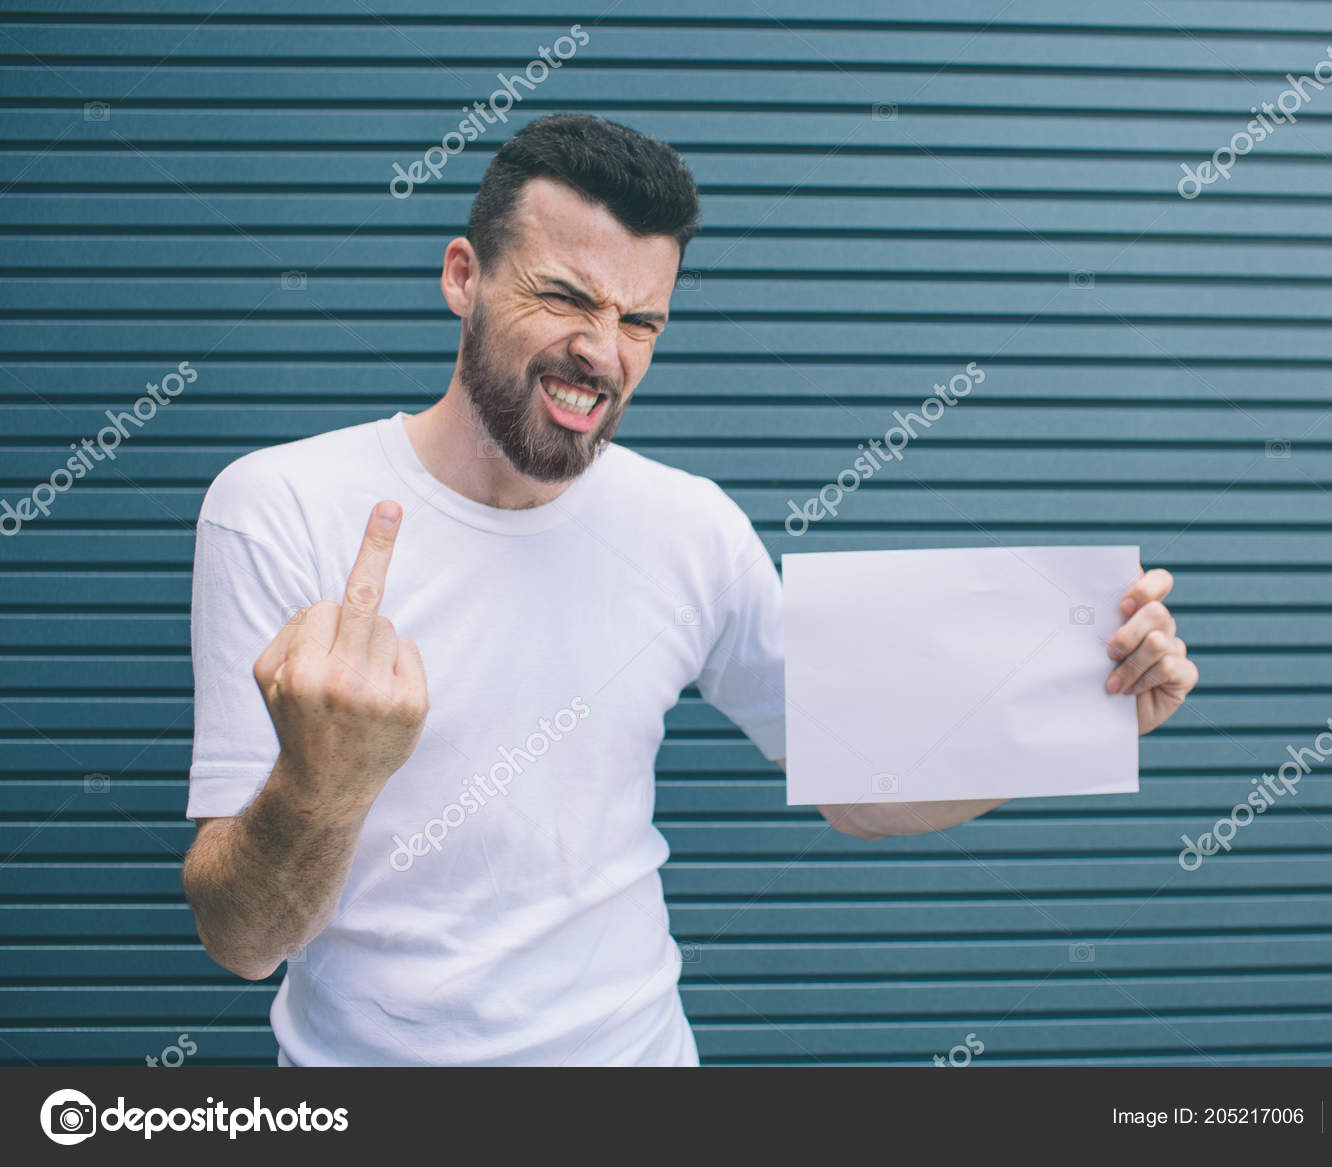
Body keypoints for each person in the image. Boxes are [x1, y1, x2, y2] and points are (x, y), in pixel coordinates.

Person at [180, 112, 1198, 1067]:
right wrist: (329, 779)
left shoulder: (688, 524)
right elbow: (243, 940)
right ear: (463, 276)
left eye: (642, 322)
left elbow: (857, 790)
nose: (602, 352)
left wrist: (1089, 711)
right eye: (566, 298)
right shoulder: (279, 506)